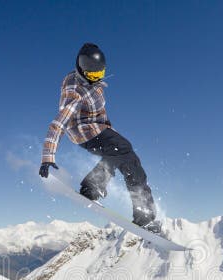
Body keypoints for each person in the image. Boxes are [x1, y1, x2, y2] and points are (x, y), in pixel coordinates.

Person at [39, 42, 161, 234]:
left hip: (96, 129)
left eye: (100, 75)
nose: (96, 79)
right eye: (92, 76)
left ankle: (92, 187)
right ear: (81, 71)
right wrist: (48, 156)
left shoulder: (85, 79)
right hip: (88, 133)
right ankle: (144, 217)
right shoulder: (75, 93)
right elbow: (58, 123)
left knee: (119, 155)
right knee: (126, 152)